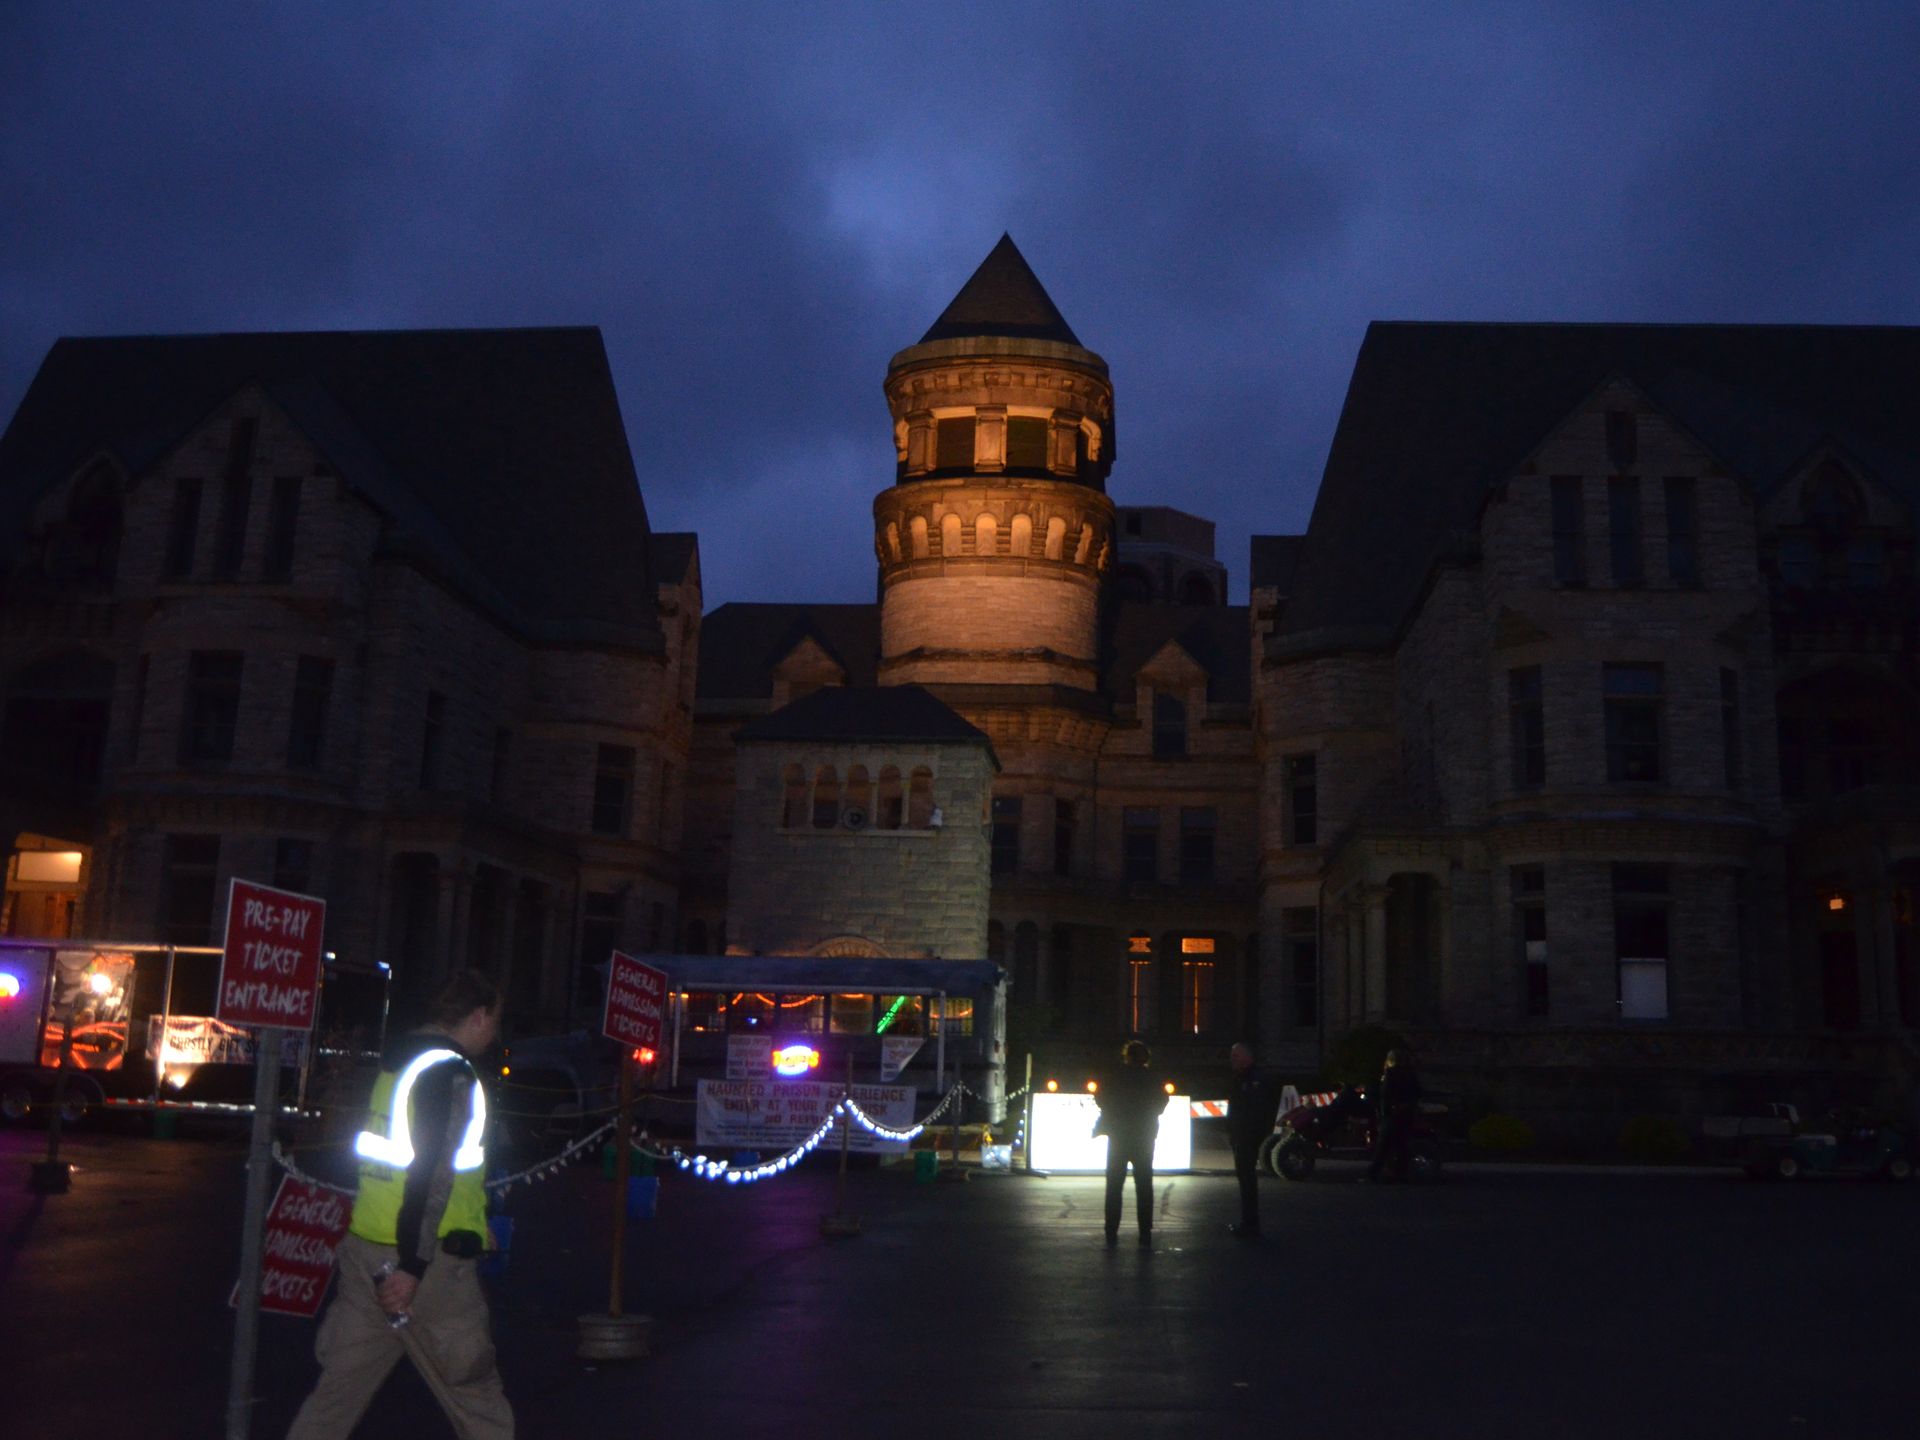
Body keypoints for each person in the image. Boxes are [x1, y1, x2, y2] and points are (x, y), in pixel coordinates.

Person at [287, 970, 512, 1439]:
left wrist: (474, 1219)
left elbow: (390, 1160)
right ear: (477, 1015)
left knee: (335, 1397)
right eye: (495, 1020)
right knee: (475, 1396)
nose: (495, 1032)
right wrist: (413, 1264)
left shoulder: (396, 1066)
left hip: (366, 1249)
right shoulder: (449, 1074)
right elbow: (432, 1174)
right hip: (427, 1267)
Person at [1094, 1039, 1162, 1248]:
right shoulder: (1152, 1078)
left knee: (1114, 1186)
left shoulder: (1115, 1076)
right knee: (1144, 1185)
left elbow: (1101, 1098)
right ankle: (1145, 1231)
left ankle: (1111, 1229)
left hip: (1119, 1135)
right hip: (1143, 1136)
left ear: (1126, 1056)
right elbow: (1161, 1103)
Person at [1226, 1041, 1281, 1237]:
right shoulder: (1245, 1077)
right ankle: (1249, 1222)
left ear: (1248, 1057)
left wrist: (1246, 1133)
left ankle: (1250, 1223)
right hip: (1243, 1134)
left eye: (1236, 1056)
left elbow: (1252, 1110)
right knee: (1245, 1179)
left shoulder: (1252, 1079)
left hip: (1246, 1135)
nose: (1232, 1060)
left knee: (1247, 1179)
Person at [1363, 1048, 1423, 1184]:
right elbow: (1419, 1092)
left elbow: (1385, 1095)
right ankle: (1400, 1173)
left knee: (1382, 1146)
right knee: (1402, 1145)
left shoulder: (1390, 1074)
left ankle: (1372, 1175)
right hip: (1406, 1114)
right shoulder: (1410, 1073)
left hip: (1392, 1115)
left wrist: (1384, 1112)